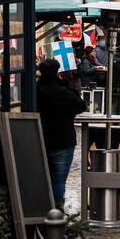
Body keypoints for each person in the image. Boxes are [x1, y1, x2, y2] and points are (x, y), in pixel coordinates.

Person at [36, 59, 86, 208]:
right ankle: (57, 212)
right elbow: (80, 105)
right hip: (62, 140)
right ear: (56, 73)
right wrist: (68, 85)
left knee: (42, 179)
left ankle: (43, 210)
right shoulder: (62, 92)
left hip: (39, 138)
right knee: (58, 180)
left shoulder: (35, 90)